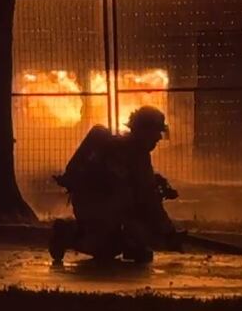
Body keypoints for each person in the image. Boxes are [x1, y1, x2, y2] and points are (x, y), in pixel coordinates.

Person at [49, 105, 181, 264]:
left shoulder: (120, 146)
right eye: (156, 132)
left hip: (89, 206)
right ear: (144, 131)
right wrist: (168, 231)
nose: (159, 137)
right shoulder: (136, 154)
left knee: (111, 244)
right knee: (109, 248)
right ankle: (71, 234)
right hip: (103, 209)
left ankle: (79, 233)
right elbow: (148, 199)